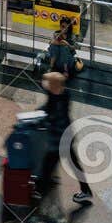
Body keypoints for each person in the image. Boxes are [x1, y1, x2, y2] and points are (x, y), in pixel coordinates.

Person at [41, 69, 92, 207]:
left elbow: (53, 115)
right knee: (72, 164)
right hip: (64, 137)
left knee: (49, 163)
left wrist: (44, 118)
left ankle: (40, 190)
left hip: (61, 139)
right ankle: (85, 190)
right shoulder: (61, 94)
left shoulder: (59, 99)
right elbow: (48, 107)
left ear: (54, 86)